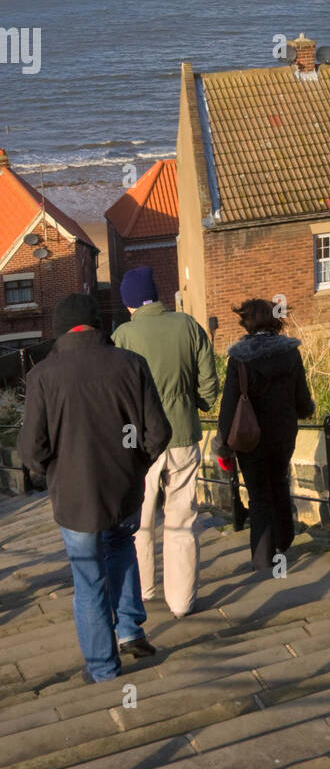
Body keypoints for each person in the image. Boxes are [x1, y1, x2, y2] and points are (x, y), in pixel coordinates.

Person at [18, 293, 171, 683]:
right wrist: (136, 464)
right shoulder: (131, 364)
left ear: (59, 331)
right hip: (123, 488)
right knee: (122, 550)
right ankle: (131, 632)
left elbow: (32, 450)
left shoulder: (42, 376)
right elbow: (158, 432)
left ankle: (103, 669)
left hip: (74, 495)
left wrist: (50, 472)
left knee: (88, 578)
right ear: (97, 324)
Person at [112, 266, 218, 617]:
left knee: (140, 521)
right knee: (182, 521)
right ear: (156, 296)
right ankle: (182, 601)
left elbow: (117, 395)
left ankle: (145, 589)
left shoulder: (124, 335)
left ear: (130, 303)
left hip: (141, 443)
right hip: (183, 434)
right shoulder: (187, 325)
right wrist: (199, 403)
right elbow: (208, 382)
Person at [214, 299, 315, 573]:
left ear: (247, 323)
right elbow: (302, 397)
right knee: (279, 482)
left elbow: (229, 405)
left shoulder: (240, 359)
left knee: (259, 494)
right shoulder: (291, 354)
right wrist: (307, 411)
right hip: (283, 435)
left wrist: (223, 445)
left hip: (250, 439)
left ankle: (262, 558)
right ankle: (284, 538)